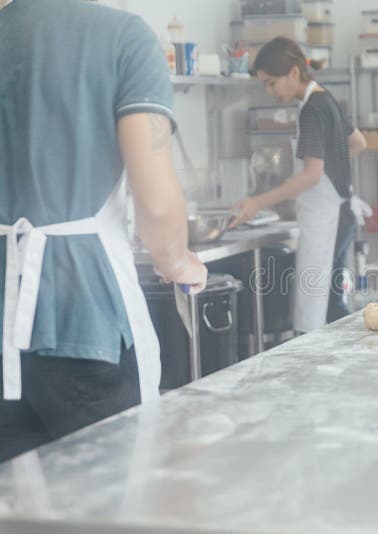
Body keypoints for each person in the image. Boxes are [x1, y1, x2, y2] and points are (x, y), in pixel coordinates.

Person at [0, 0, 207, 463]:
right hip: (85, 316)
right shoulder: (122, 37)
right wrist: (177, 260)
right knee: (108, 504)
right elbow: (154, 202)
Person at [231, 37, 367, 333]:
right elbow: (357, 142)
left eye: (271, 82)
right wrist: (333, 167)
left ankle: (329, 372)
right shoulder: (327, 99)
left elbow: (311, 175)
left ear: (294, 73)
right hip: (341, 214)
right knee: (333, 302)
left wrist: (257, 202)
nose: (270, 91)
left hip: (327, 220)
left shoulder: (311, 110)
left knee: (321, 307)